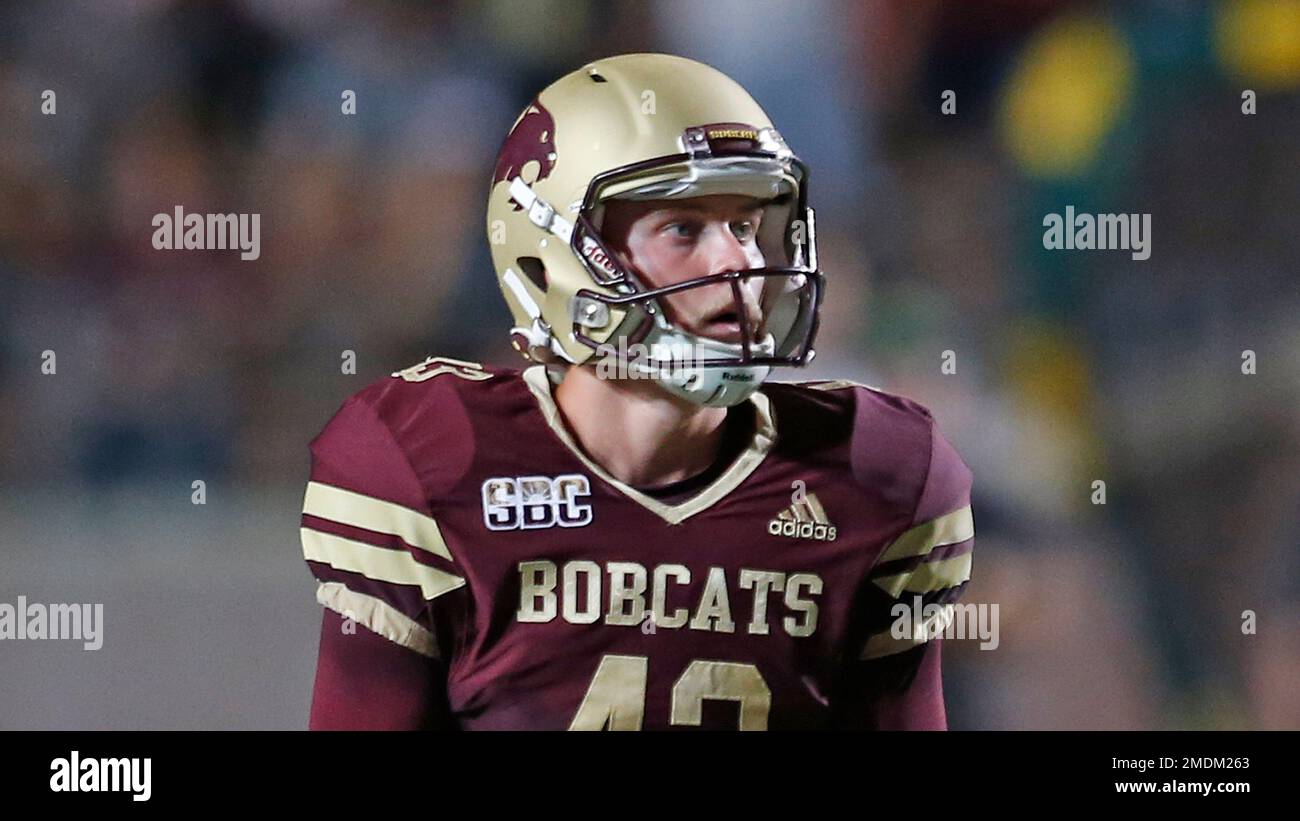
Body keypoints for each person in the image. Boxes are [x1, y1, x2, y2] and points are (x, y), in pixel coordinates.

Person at [302, 53, 974, 730]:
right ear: (551, 259)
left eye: (744, 225)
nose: (736, 261)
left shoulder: (871, 475)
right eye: (684, 229)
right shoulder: (435, 465)